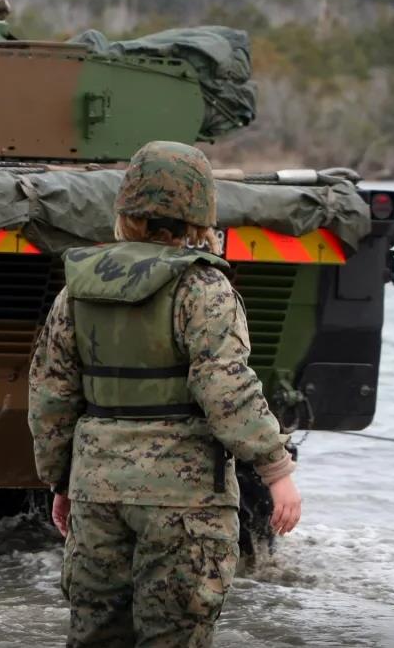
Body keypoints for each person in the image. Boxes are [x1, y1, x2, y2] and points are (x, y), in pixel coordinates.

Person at [28, 140, 301, 647]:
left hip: (97, 489)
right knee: (174, 636)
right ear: (202, 210)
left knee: (95, 636)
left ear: (126, 206)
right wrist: (276, 469)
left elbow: (51, 395)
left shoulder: (79, 288)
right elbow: (227, 388)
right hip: (184, 497)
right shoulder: (203, 288)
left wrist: (61, 480)